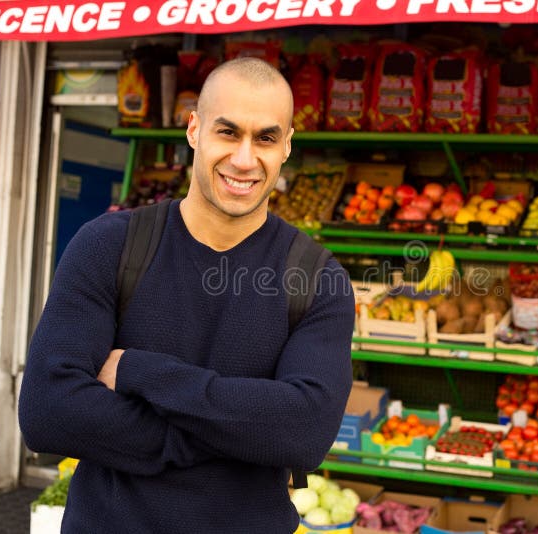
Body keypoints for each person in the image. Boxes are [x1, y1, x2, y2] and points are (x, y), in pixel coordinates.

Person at [18, 57, 355, 533]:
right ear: (194, 130)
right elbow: (47, 411)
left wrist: (140, 371)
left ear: (286, 147)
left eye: (265, 138)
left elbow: (303, 433)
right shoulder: (109, 245)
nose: (244, 158)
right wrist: (231, 435)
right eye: (227, 132)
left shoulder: (317, 279)